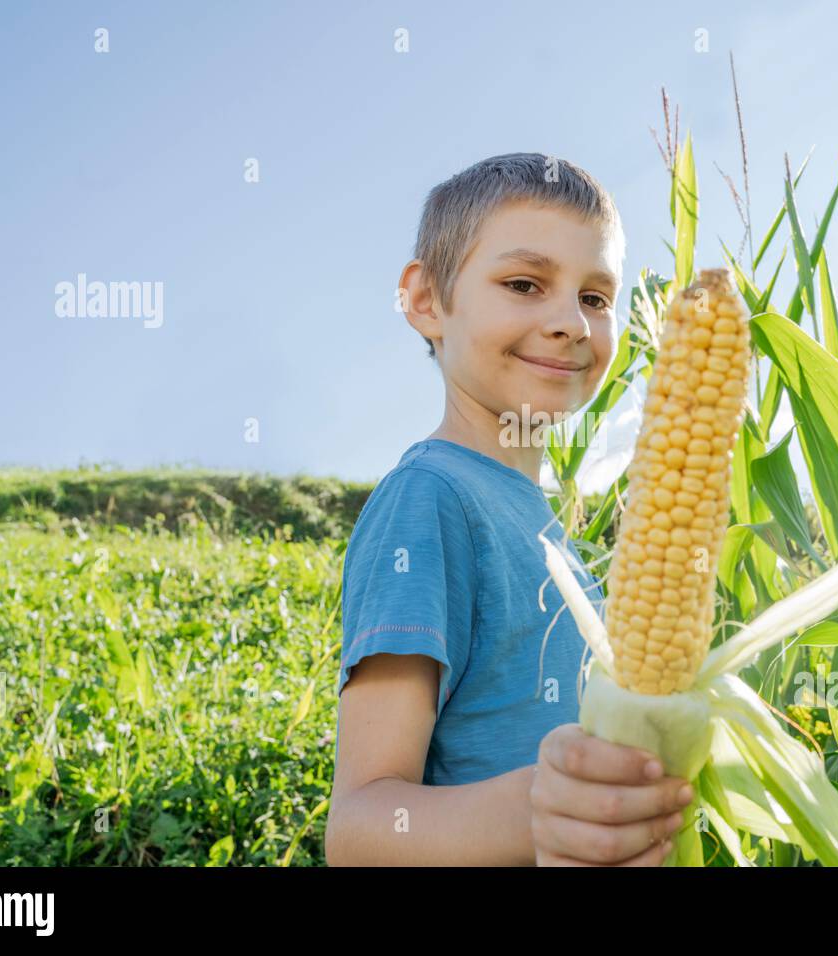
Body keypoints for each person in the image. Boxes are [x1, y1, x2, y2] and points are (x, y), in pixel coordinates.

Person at [324, 153, 692, 866]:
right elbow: (361, 827)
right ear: (426, 300)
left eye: (595, 297)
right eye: (524, 284)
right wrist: (543, 813)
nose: (571, 324)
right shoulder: (430, 498)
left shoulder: (545, 524)